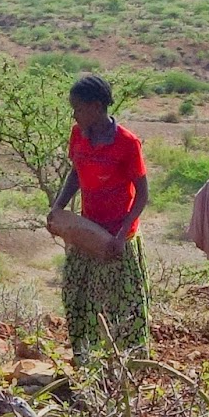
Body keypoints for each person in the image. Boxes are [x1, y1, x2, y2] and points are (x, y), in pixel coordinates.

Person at [50, 74, 151, 358]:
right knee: (77, 296)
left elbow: (142, 195)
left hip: (116, 237)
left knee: (119, 305)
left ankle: (126, 364)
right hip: (87, 232)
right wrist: (58, 207)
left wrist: (120, 237)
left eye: (78, 108)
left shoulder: (127, 143)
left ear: (96, 107)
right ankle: (87, 361)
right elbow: (76, 174)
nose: (75, 115)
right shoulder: (78, 136)